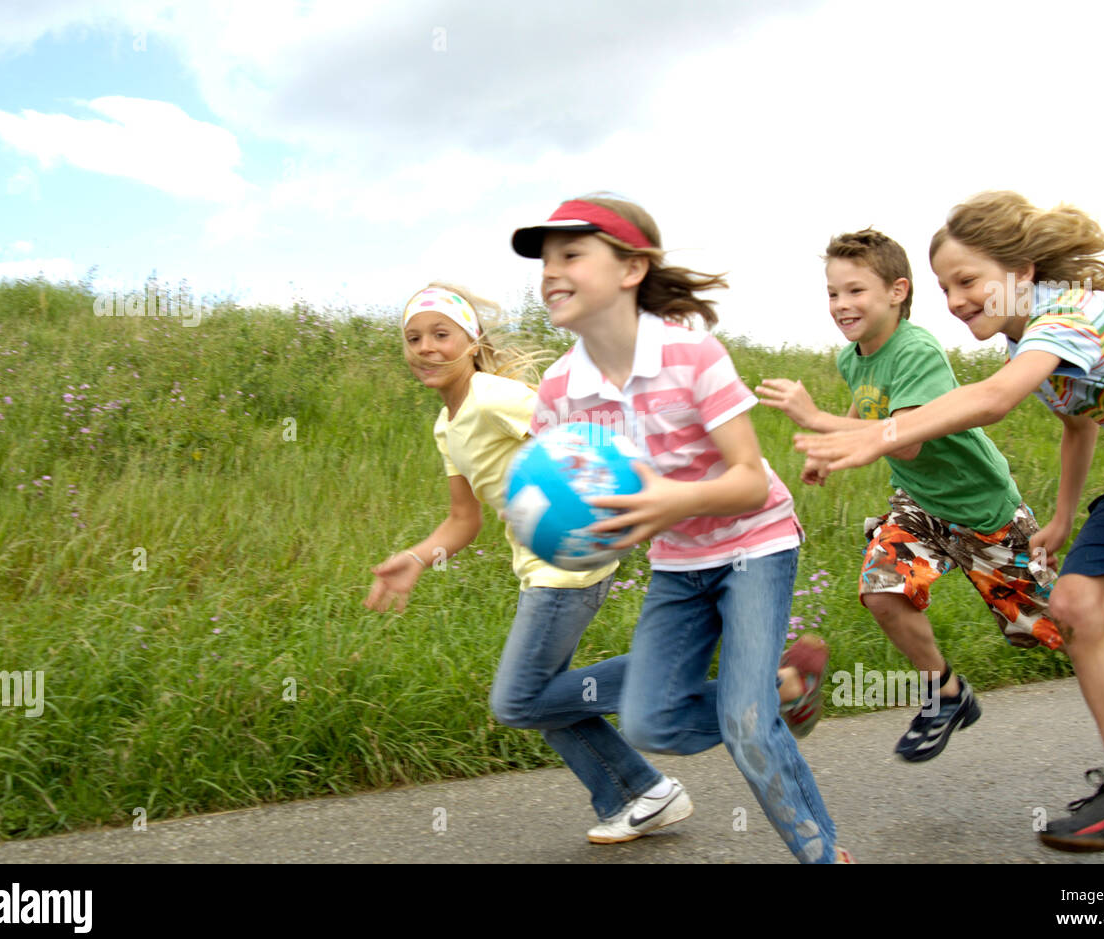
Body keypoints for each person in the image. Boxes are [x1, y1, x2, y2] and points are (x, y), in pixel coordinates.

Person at [801, 191, 1104, 851]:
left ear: (1023, 272)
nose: (955, 300)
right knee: (1074, 604)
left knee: (1064, 612)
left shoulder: (1067, 317)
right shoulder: (1026, 348)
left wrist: (881, 433)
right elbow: (1077, 424)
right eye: (947, 287)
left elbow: (994, 400)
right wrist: (1064, 515)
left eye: (969, 280)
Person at [512, 195, 849, 863]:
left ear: (632, 267)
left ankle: (820, 851)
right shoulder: (559, 389)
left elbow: (751, 480)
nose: (552, 271)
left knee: (746, 726)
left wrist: (669, 500)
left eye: (572, 254)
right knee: (648, 719)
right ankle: (781, 690)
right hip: (678, 562)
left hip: (755, 542)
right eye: (546, 260)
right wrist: (541, 519)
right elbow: (553, 486)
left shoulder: (691, 355)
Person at [364, 283, 692, 845]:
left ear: (472, 341)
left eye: (442, 334)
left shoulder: (494, 396)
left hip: (568, 565)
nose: (426, 347)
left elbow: (586, 438)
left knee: (518, 699)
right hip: (541, 567)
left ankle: (670, 669)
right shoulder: (447, 426)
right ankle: (639, 792)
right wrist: (417, 559)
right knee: (544, 698)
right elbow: (462, 522)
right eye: (414, 338)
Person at [758, 228, 1064, 763]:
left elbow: (906, 442)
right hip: (919, 506)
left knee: (1055, 631)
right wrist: (828, 446)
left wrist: (812, 418)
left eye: (855, 291)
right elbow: (867, 413)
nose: (841, 305)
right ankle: (945, 692)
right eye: (833, 293)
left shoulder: (916, 349)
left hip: (983, 511)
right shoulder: (853, 358)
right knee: (882, 588)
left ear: (897, 291)